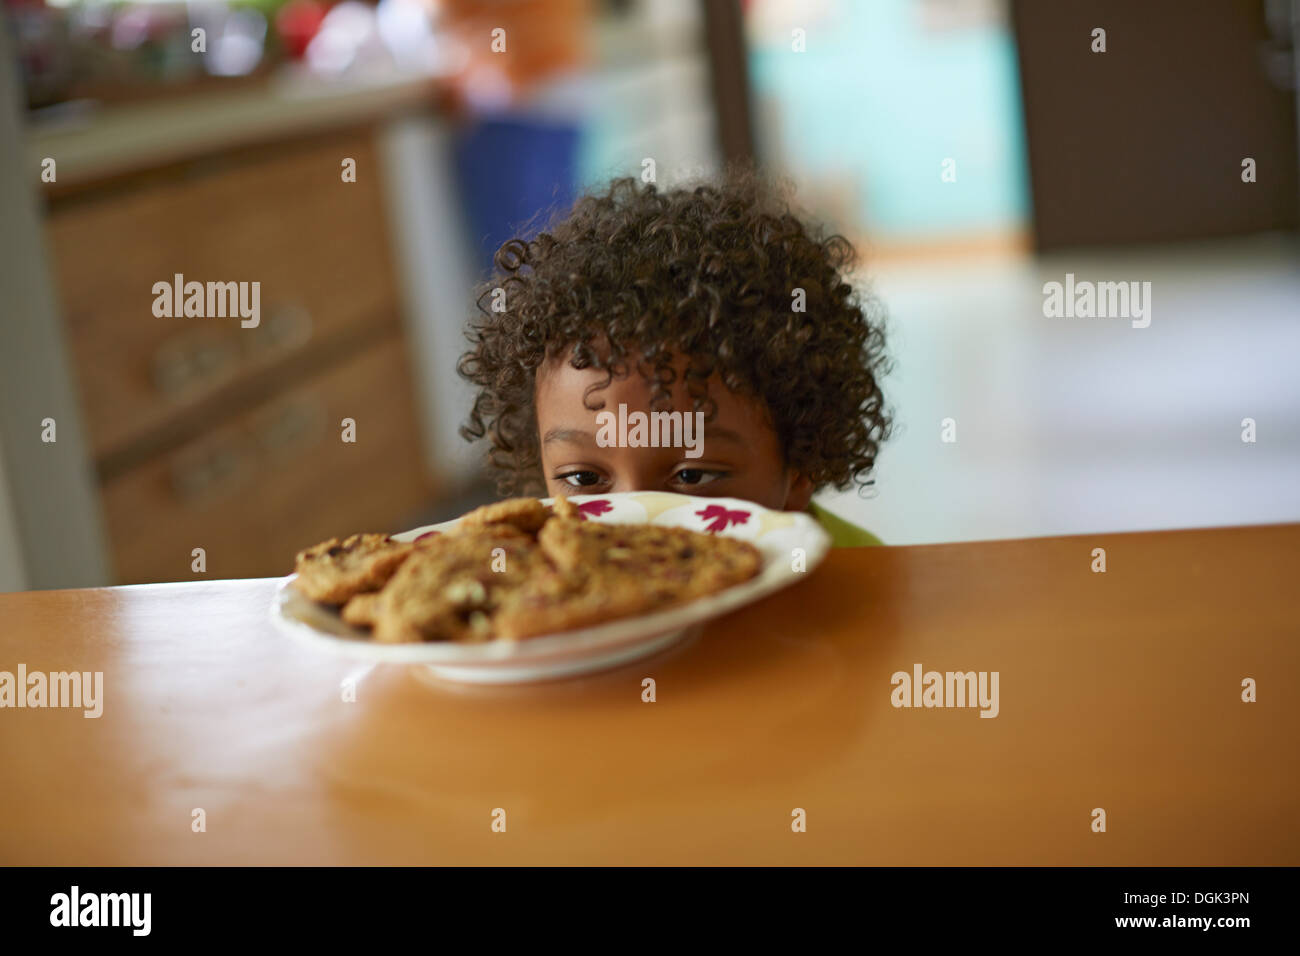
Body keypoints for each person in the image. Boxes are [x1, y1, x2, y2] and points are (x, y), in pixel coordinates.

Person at [457, 172, 891, 546]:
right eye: (584, 479)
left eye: (692, 476)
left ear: (798, 471)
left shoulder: (859, 585)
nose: (635, 521)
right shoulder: (548, 611)